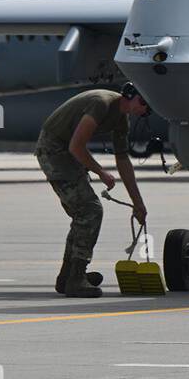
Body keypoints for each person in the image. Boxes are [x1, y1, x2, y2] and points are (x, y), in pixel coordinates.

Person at [35, 84, 150, 298]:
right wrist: (100, 172)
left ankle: (69, 276)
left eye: (148, 108)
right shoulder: (101, 104)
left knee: (84, 213)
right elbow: (76, 146)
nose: (144, 110)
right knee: (90, 211)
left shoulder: (121, 119)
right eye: (143, 103)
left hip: (66, 152)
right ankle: (76, 278)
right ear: (130, 96)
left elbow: (123, 160)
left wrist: (138, 204)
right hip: (54, 149)